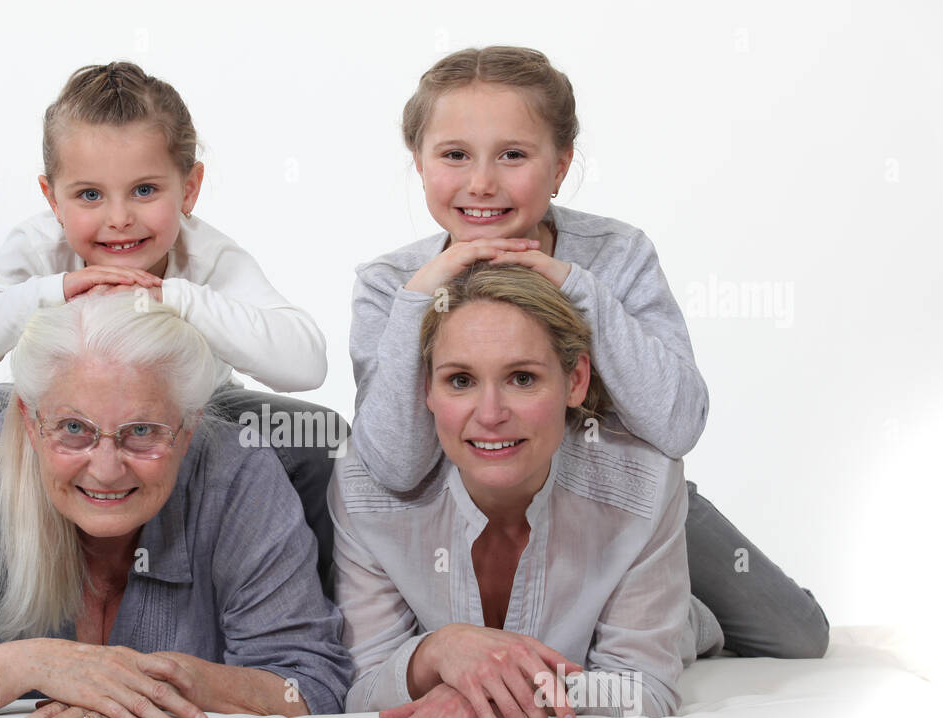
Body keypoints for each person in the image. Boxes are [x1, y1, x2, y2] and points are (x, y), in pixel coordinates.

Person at [349, 46, 827, 657]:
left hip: (628, 504)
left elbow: (677, 425)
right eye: (454, 156)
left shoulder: (616, 256)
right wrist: (420, 299)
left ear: (561, 164)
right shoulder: (393, 283)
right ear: (418, 163)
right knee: (541, 646)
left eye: (514, 155)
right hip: (486, 504)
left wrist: (577, 287)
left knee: (798, 635)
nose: (482, 183)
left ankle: (673, 617)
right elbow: (393, 465)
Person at [0, 61, 343, 595]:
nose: (119, 218)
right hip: (61, 412)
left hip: (192, 412)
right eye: (90, 196)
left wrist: (172, 297)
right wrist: (53, 291)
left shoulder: (208, 255)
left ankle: (310, 630)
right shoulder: (38, 249)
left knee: (323, 438)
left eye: (145, 190)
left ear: (188, 190)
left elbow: (306, 363)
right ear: (52, 199)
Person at [0, 294, 353, 718]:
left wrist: (151, 683)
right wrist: (39, 664)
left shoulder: (239, 472)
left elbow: (309, 686)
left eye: (143, 431)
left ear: (190, 427)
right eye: (73, 428)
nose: (107, 470)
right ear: (28, 419)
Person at [332, 264, 723, 718]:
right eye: (461, 380)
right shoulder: (363, 488)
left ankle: (696, 612)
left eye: (522, 378)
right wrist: (440, 652)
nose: (490, 414)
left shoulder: (647, 478)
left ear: (576, 381)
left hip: (666, 589)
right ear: (426, 389)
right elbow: (360, 687)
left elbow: (644, 687)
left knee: (792, 631)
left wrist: (484, 691)